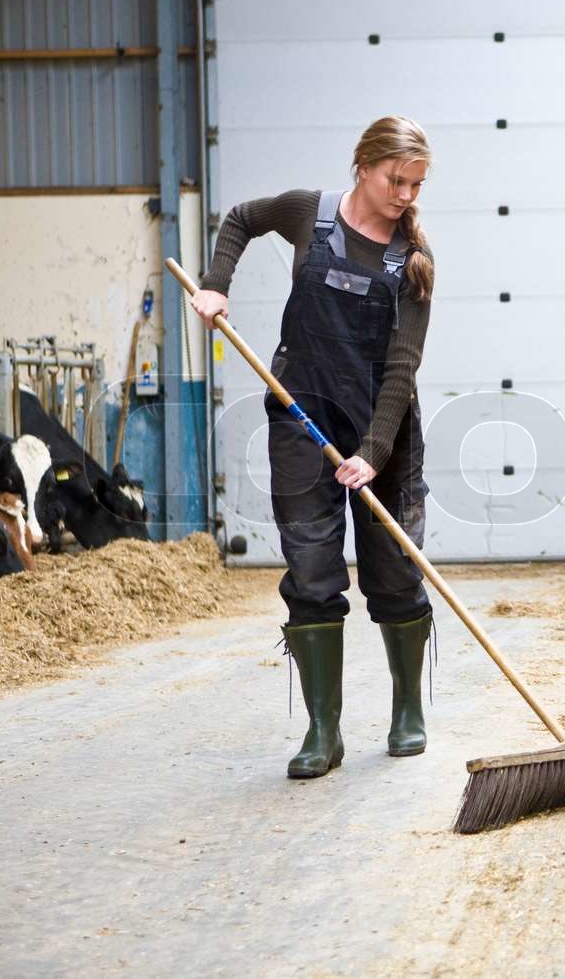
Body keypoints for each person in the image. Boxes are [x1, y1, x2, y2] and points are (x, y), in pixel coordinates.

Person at [192, 116, 436, 779]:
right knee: (311, 568)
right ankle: (323, 730)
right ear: (363, 166)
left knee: (391, 568)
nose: (407, 195)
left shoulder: (412, 262)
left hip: (380, 429)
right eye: (397, 180)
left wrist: (375, 453)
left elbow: (400, 369)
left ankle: (408, 707)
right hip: (301, 420)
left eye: (417, 184)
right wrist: (217, 284)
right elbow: (241, 218)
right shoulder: (312, 216)